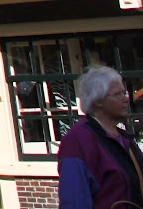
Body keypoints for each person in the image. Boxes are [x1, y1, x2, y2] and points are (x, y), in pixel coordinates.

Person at [57, 66, 143, 209]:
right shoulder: (77, 141)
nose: (126, 99)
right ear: (98, 101)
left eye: (125, 93)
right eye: (118, 94)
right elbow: (73, 202)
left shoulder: (124, 138)